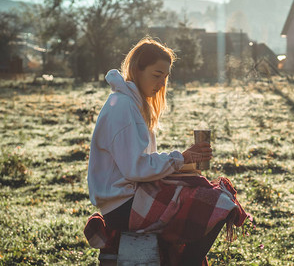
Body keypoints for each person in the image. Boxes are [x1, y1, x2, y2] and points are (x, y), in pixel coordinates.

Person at [84, 37, 248, 266]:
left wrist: (185, 164)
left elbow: (139, 165)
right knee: (220, 201)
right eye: (156, 74)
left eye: (165, 76)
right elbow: (135, 167)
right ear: (137, 70)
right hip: (123, 206)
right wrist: (180, 158)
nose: (162, 83)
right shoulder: (122, 106)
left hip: (130, 196)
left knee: (203, 186)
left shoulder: (134, 104)